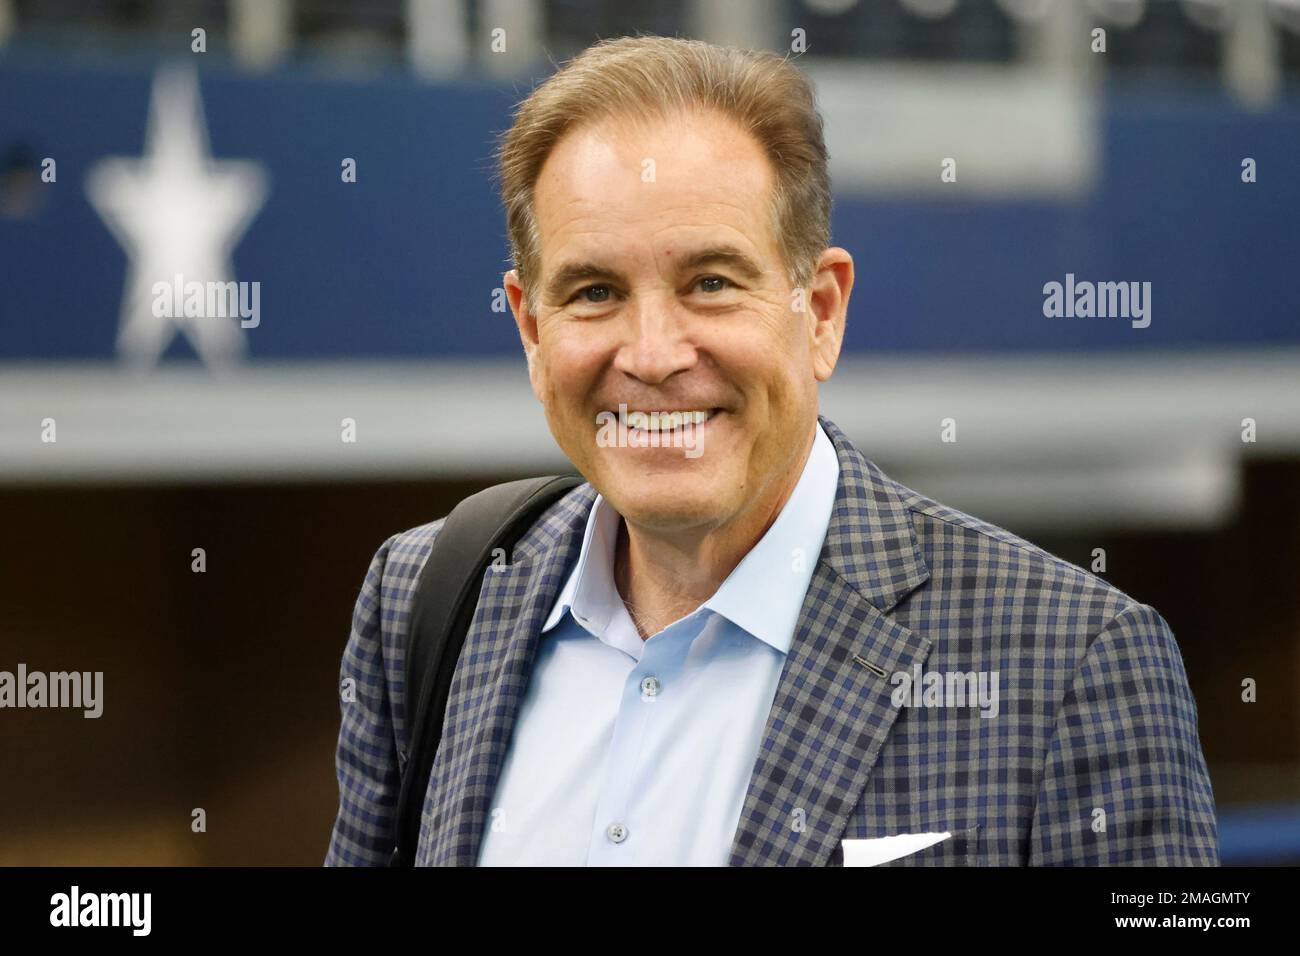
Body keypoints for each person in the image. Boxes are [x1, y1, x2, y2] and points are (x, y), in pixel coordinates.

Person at [326, 35, 1218, 866]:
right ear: (529, 327)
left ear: (820, 310)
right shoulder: (426, 601)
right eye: (594, 292)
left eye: (711, 283)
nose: (651, 354)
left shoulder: (1072, 663)